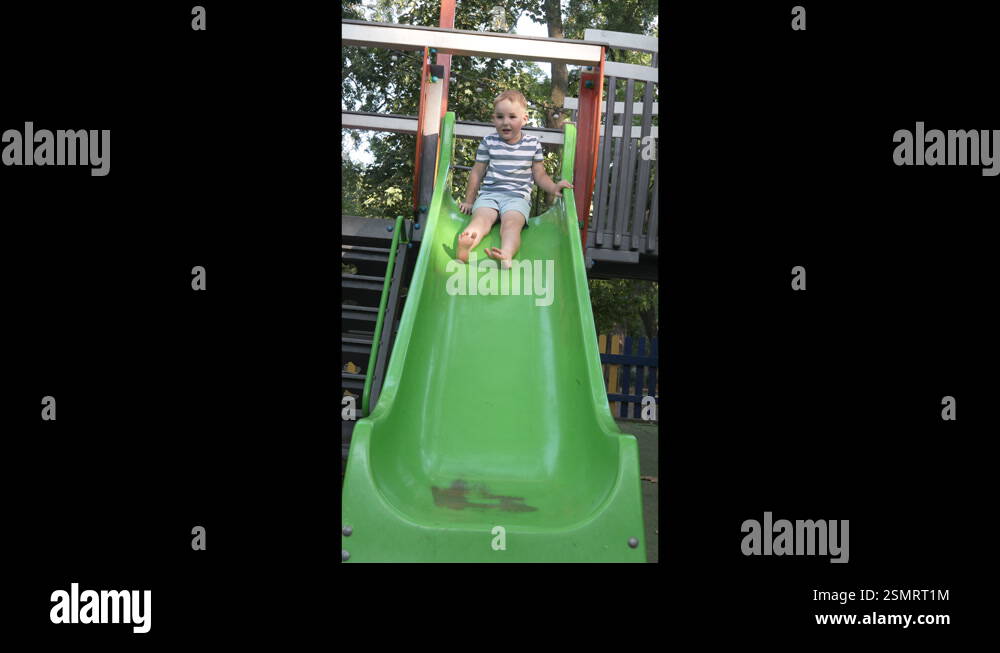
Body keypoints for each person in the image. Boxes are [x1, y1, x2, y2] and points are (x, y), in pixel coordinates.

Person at [456, 89, 573, 269]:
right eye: (500, 117)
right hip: (489, 195)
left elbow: (539, 175)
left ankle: (506, 253)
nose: (506, 122)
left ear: (524, 119)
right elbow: (477, 172)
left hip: (517, 198)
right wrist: (469, 201)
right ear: (493, 119)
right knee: (481, 219)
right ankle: (467, 243)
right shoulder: (489, 142)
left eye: (512, 117)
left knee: (511, 224)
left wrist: (554, 187)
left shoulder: (532, 144)